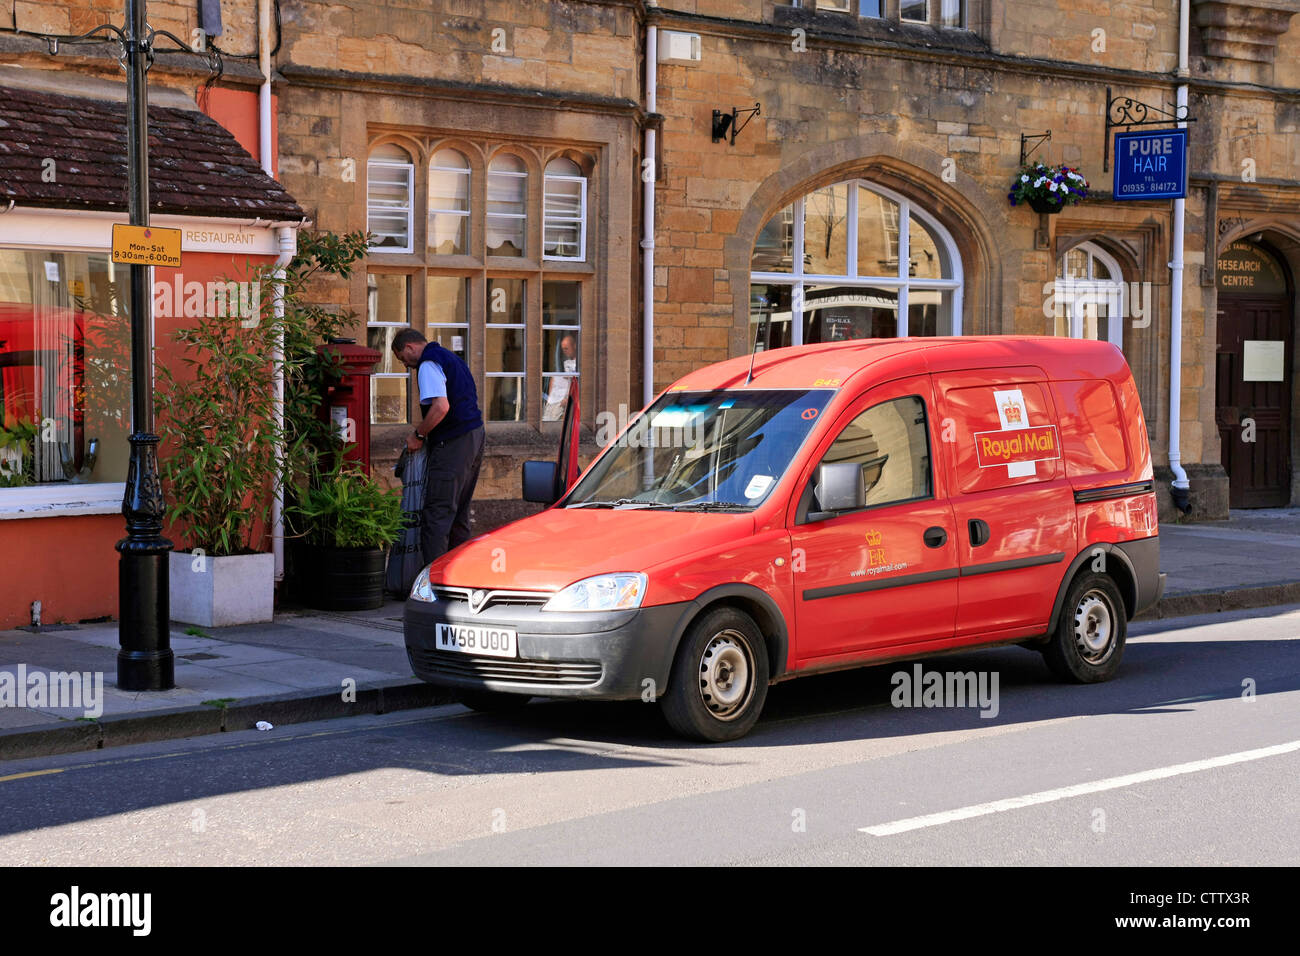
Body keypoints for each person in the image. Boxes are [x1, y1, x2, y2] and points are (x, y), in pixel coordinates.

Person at [391, 328, 485, 565]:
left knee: (437, 514)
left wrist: (418, 435)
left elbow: (441, 407)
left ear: (410, 347)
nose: (405, 364)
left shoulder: (428, 363)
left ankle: (434, 584)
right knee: (459, 514)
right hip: (473, 436)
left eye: (402, 358)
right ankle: (460, 575)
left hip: (452, 441)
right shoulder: (451, 358)